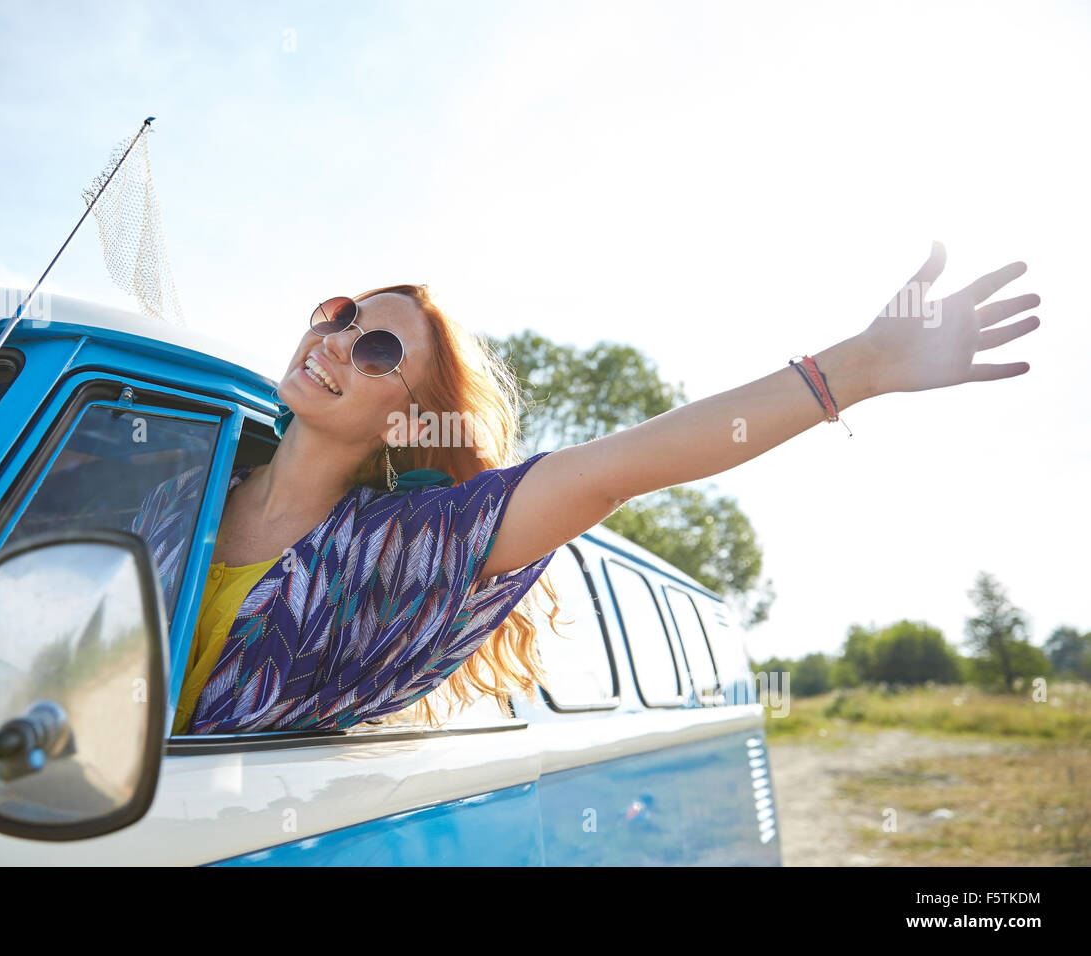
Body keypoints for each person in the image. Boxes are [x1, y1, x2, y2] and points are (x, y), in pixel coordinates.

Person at [157, 241, 1040, 735]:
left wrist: (855, 368)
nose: (340, 342)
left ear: (407, 419)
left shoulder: (406, 545)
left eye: (379, 349)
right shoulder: (170, 485)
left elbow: (613, 471)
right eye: (341, 316)